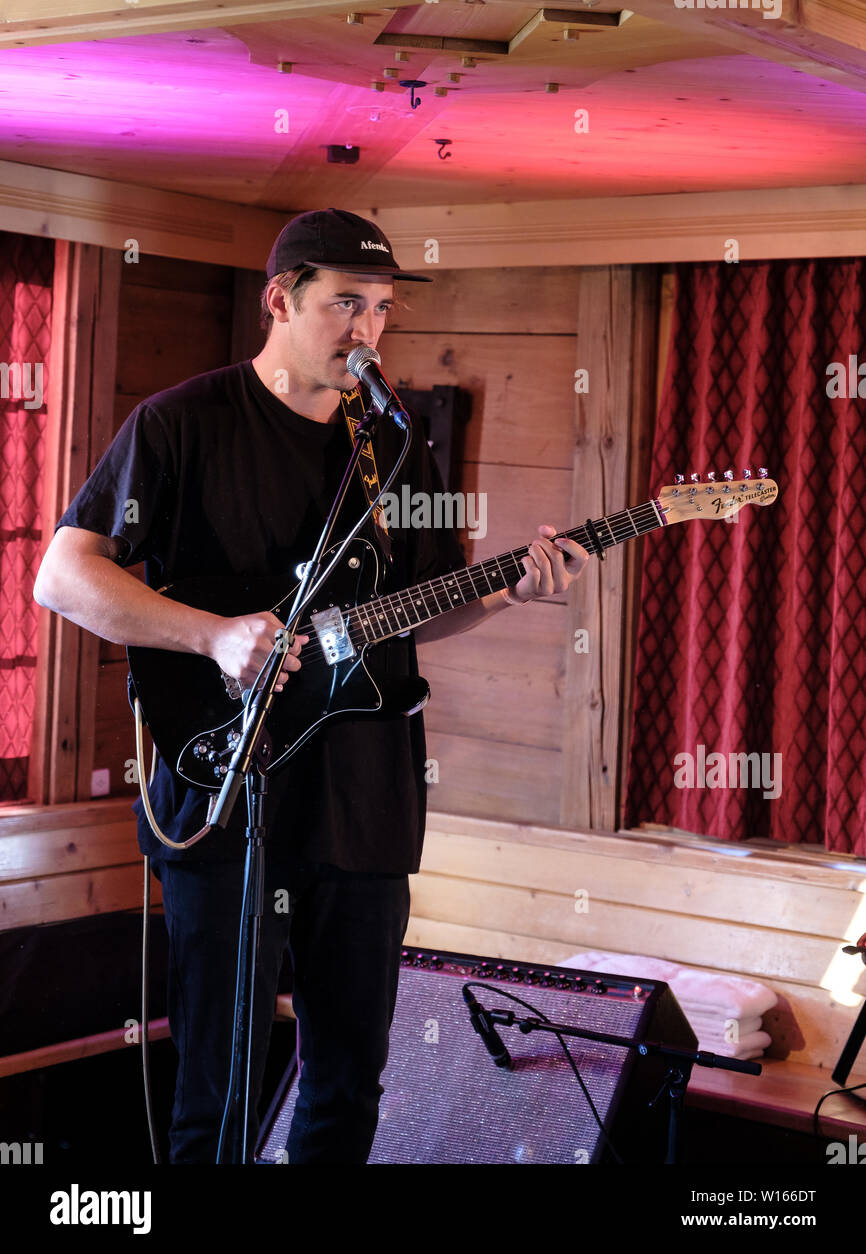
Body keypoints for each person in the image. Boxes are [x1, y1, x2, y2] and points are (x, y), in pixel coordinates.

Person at [33, 208, 588, 1164]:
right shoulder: (179, 424)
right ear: (279, 301)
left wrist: (508, 594)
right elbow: (62, 575)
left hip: (365, 800)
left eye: (381, 310)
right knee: (223, 1084)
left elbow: (420, 604)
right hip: (229, 786)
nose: (367, 329)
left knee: (348, 1083)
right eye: (345, 303)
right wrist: (212, 638)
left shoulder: (394, 446)